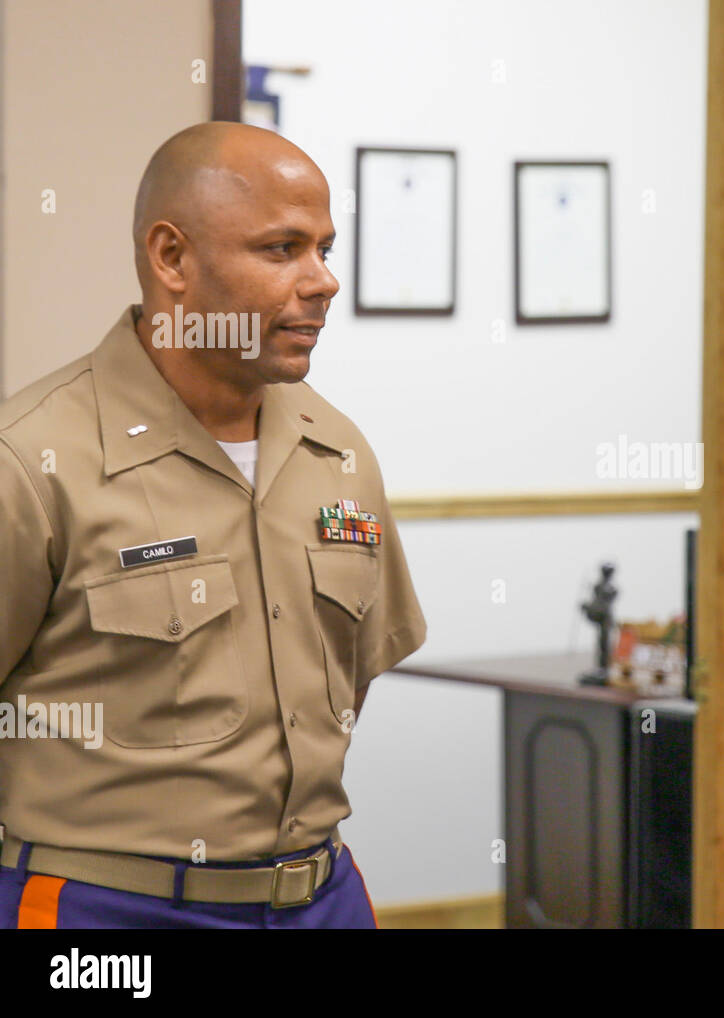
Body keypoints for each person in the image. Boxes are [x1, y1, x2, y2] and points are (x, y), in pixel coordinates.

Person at [0, 122, 427, 928]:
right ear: (172, 259)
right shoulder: (33, 460)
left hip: (318, 900)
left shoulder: (338, 453)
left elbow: (349, 680)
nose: (323, 281)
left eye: (325, 249)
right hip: (108, 914)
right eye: (282, 250)